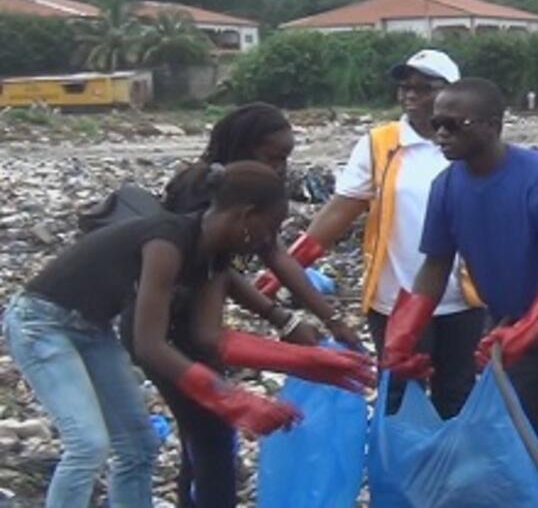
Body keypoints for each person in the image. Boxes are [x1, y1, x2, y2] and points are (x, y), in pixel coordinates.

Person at [3, 162, 374, 508]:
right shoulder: (168, 243)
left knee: (139, 446)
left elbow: (207, 336)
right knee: (88, 445)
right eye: (269, 228)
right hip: (42, 322)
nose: (268, 241)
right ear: (246, 216)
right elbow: (150, 345)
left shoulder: (213, 254)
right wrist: (229, 397)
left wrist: (311, 361)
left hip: (92, 329)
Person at [381, 77, 538, 507]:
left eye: (451, 124)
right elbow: (436, 263)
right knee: (522, 445)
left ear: (491, 125)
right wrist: (403, 334)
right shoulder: (447, 186)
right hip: (508, 329)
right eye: (435, 123)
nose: (440, 133)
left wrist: (530, 328)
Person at [127, 103, 368, 508]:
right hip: (167, 326)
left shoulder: (254, 191)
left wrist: (330, 318)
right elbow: (222, 272)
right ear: (241, 146)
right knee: (210, 436)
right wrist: (283, 321)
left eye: (286, 159)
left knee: (208, 438)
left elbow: (274, 254)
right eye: (272, 157)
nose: (279, 167)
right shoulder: (201, 189)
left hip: (198, 325)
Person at [255, 50, 487, 419]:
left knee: (457, 394)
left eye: (424, 87)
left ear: (451, 93)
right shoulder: (381, 145)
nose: (411, 95)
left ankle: (449, 472)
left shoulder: (469, 143)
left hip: (464, 297)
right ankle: (401, 471)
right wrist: (288, 265)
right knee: (399, 395)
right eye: (405, 87)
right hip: (396, 298)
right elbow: (340, 211)